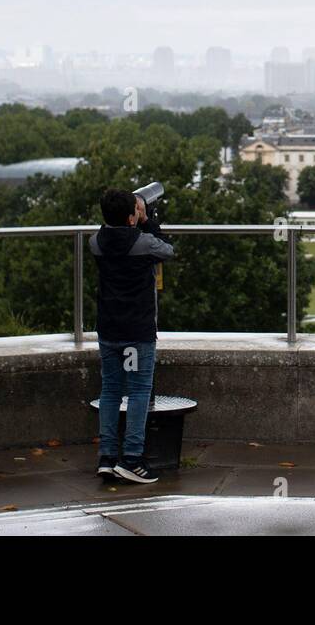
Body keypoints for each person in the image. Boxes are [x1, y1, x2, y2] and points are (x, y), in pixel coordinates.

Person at [90, 188, 174, 483]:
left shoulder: (96, 243)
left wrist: (128, 218)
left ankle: (108, 457)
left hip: (109, 328)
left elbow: (109, 234)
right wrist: (146, 219)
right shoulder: (143, 242)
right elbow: (167, 250)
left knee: (111, 391)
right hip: (138, 330)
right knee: (138, 392)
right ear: (130, 216)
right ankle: (132, 459)